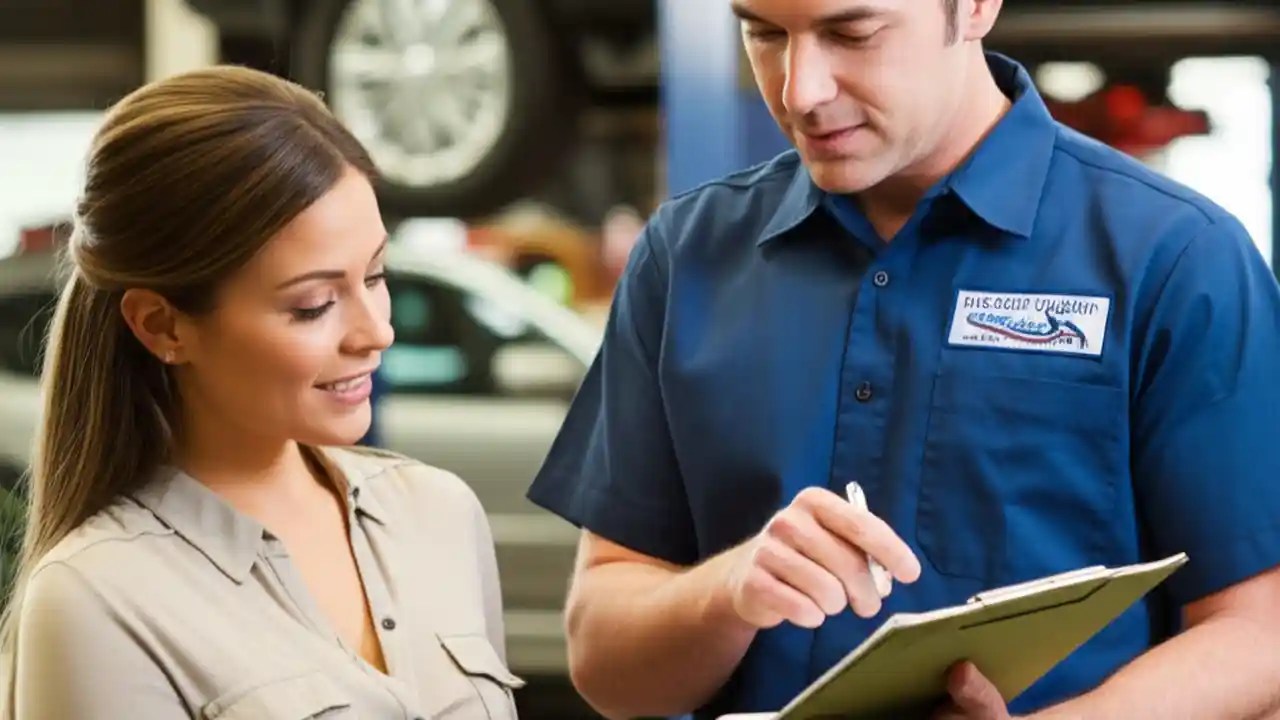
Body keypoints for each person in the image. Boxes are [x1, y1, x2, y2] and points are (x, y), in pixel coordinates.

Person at [527, 0, 1280, 718]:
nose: (800, 91)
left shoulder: (1173, 259)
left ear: (976, 7)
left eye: (852, 33)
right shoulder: (689, 258)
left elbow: (1260, 631)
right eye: (765, 34)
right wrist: (728, 593)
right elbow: (606, 666)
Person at [0, 66, 523, 719]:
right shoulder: (97, 599)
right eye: (313, 305)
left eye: (376, 275)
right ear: (163, 326)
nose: (377, 332)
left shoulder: (440, 515)